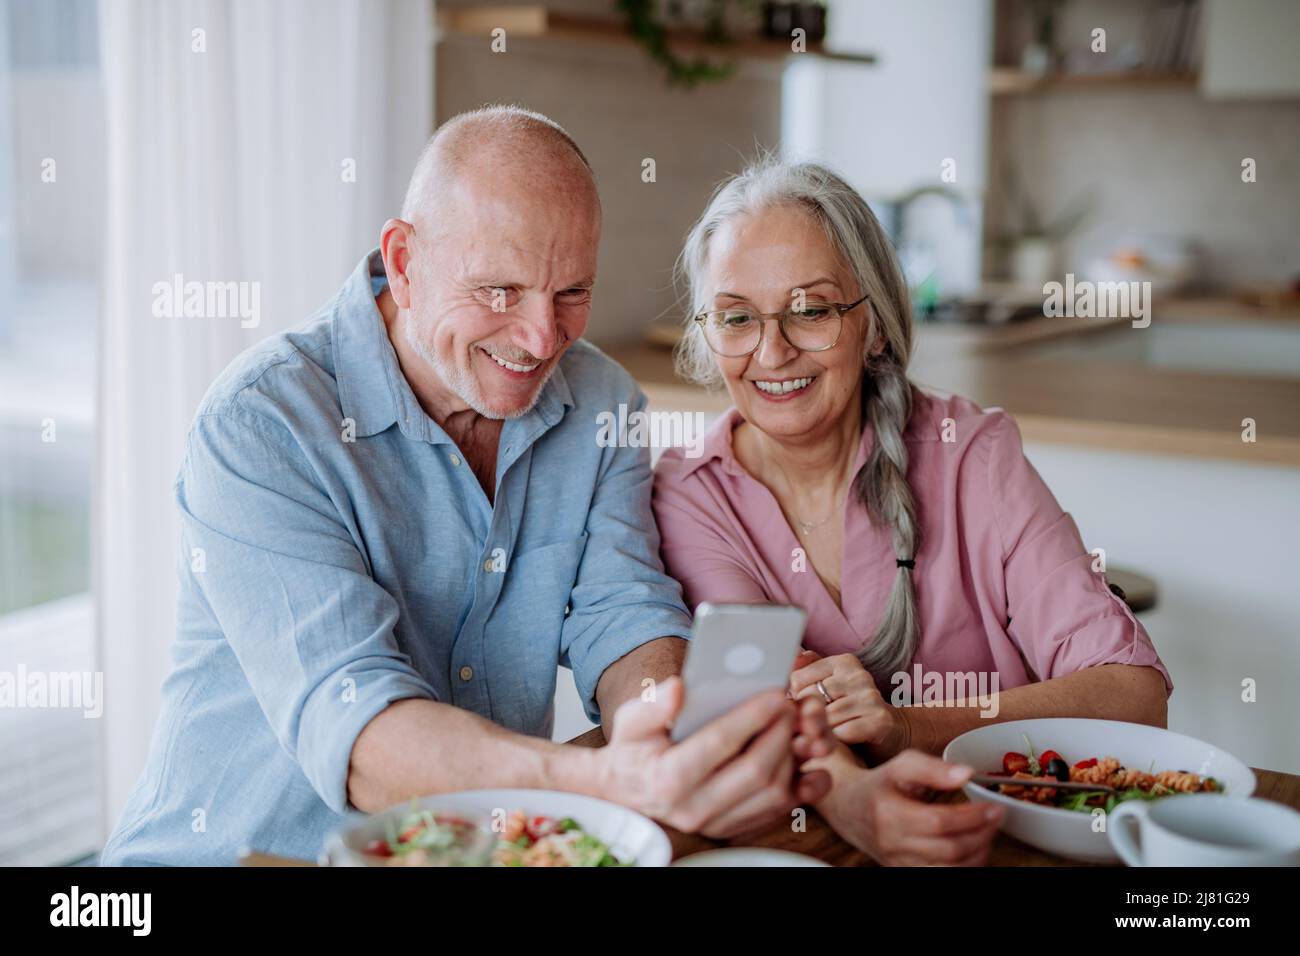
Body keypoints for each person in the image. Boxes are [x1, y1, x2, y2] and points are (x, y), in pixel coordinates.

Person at [101, 108, 829, 866]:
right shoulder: (262, 424)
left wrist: (657, 725)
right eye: (500, 290)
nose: (541, 338)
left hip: (467, 851)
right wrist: (600, 779)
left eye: (571, 291)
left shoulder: (601, 402)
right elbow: (357, 728)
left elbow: (626, 612)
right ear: (405, 261)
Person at [652, 157, 1172, 865]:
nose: (771, 352)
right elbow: (766, 711)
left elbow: (1134, 695)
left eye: (810, 310)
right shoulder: (691, 492)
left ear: (874, 325)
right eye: (737, 318)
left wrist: (908, 726)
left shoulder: (976, 458)